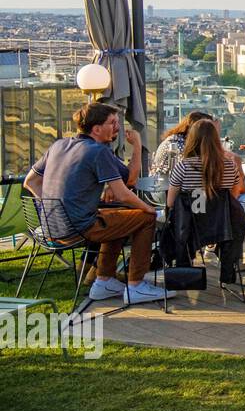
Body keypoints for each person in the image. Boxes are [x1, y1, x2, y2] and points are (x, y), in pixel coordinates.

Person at [23, 102, 171, 304]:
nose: (117, 127)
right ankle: (137, 285)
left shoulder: (58, 145)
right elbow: (124, 193)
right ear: (97, 129)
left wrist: (53, 206)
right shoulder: (97, 151)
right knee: (145, 218)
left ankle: (104, 281)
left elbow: (30, 181)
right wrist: (149, 209)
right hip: (77, 229)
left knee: (119, 217)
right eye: (112, 123)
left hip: (51, 228)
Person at [164, 118, 245, 286]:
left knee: (176, 217)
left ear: (192, 140)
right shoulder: (229, 166)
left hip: (191, 226)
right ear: (216, 140)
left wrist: (199, 201)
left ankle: (184, 268)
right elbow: (234, 194)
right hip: (222, 226)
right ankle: (227, 273)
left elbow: (171, 202)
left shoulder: (183, 166)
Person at [150, 110, 215, 186]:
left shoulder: (180, 140)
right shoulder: (175, 144)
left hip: (167, 185)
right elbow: (189, 169)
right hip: (162, 187)